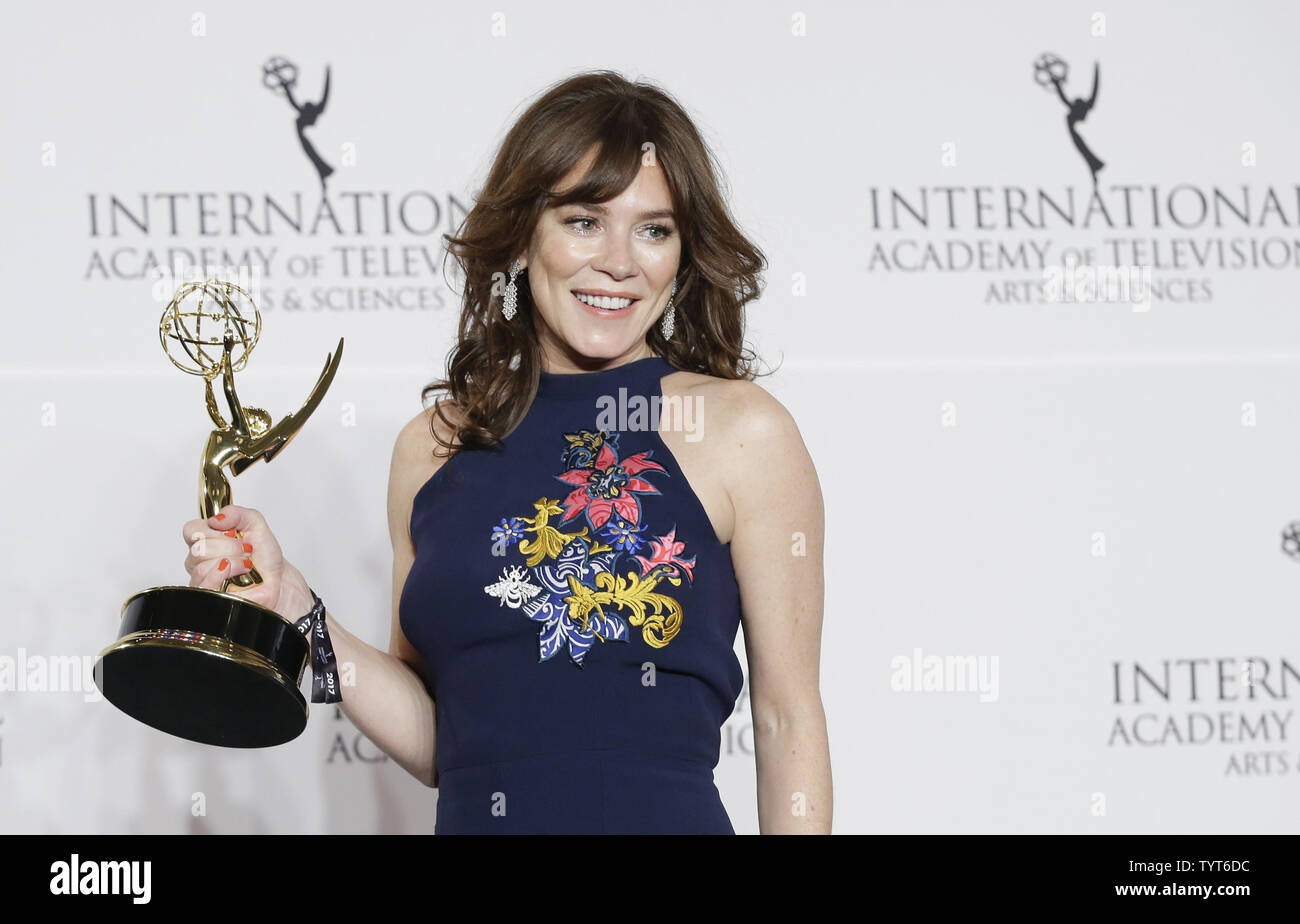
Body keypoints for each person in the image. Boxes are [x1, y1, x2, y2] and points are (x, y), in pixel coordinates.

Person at [181, 70, 829, 834]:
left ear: (683, 256)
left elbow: (787, 721)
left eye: (654, 229)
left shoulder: (742, 431)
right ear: (522, 238)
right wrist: (293, 607)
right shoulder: (432, 447)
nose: (621, 261)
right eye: (585, 221)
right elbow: (436, 742)